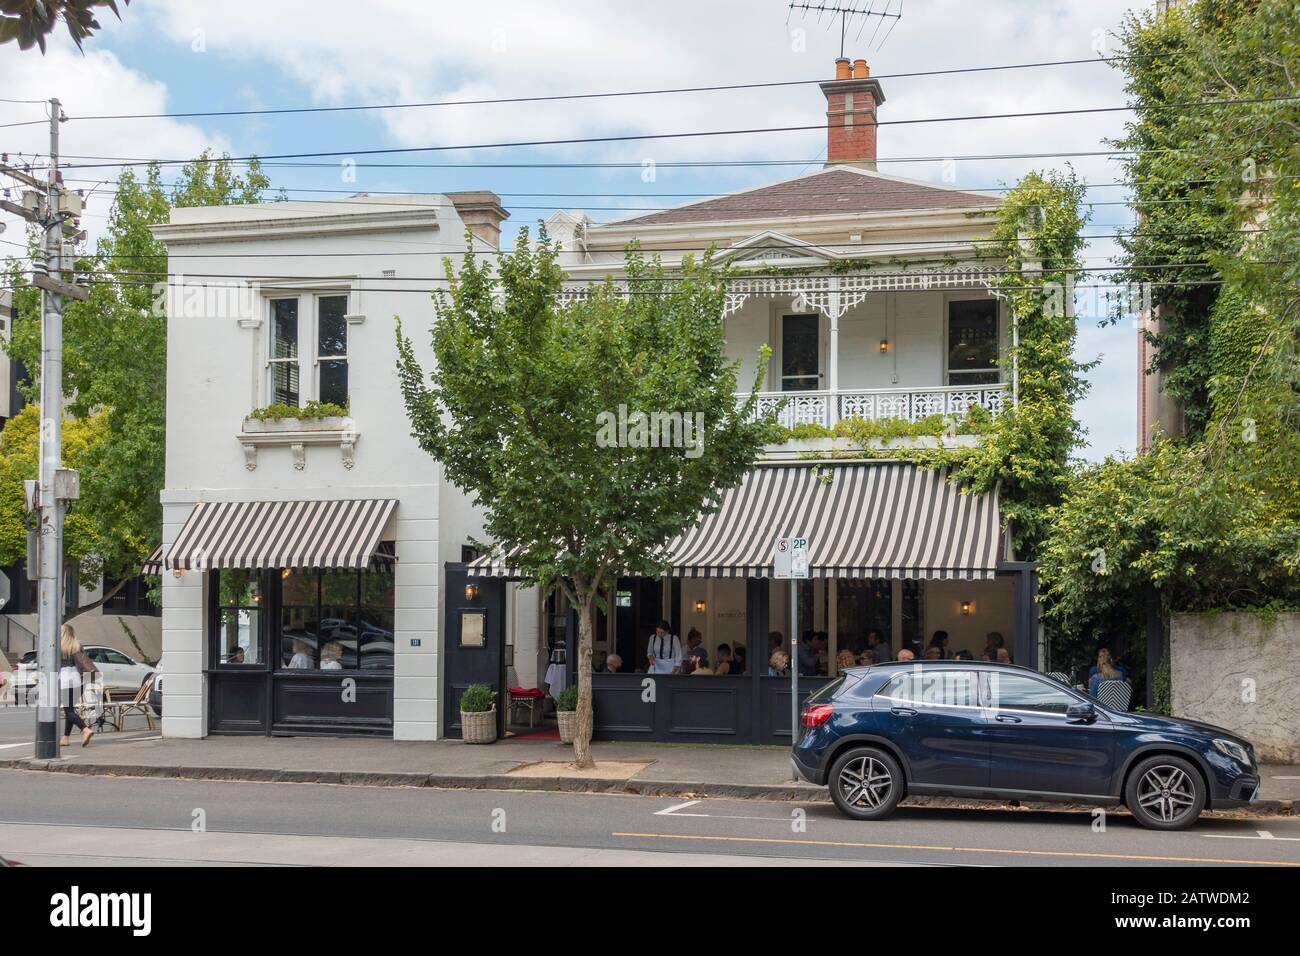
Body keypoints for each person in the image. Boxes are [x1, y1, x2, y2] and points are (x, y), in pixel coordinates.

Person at [58, 623, 97, 748]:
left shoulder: (58, 646)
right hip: (77, 679)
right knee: (71, 709)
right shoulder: (77, 644)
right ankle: (65, 738)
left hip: (64, 679)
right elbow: (84, 662)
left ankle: (85, 729)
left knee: (68, 710)